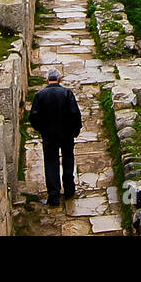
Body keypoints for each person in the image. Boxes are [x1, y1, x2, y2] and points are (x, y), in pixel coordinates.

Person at [29, 68, 83, 206]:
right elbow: (75, 114)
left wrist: (41, 129)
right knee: (68, 159)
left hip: (49, 135)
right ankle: (69, 189)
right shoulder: (67, 93)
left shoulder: (40, 95)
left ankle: (54, 195)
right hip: (66, 134)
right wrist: (75, 130)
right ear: (59, 79)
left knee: (51, 162)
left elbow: (34, 117)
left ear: (47, 80)